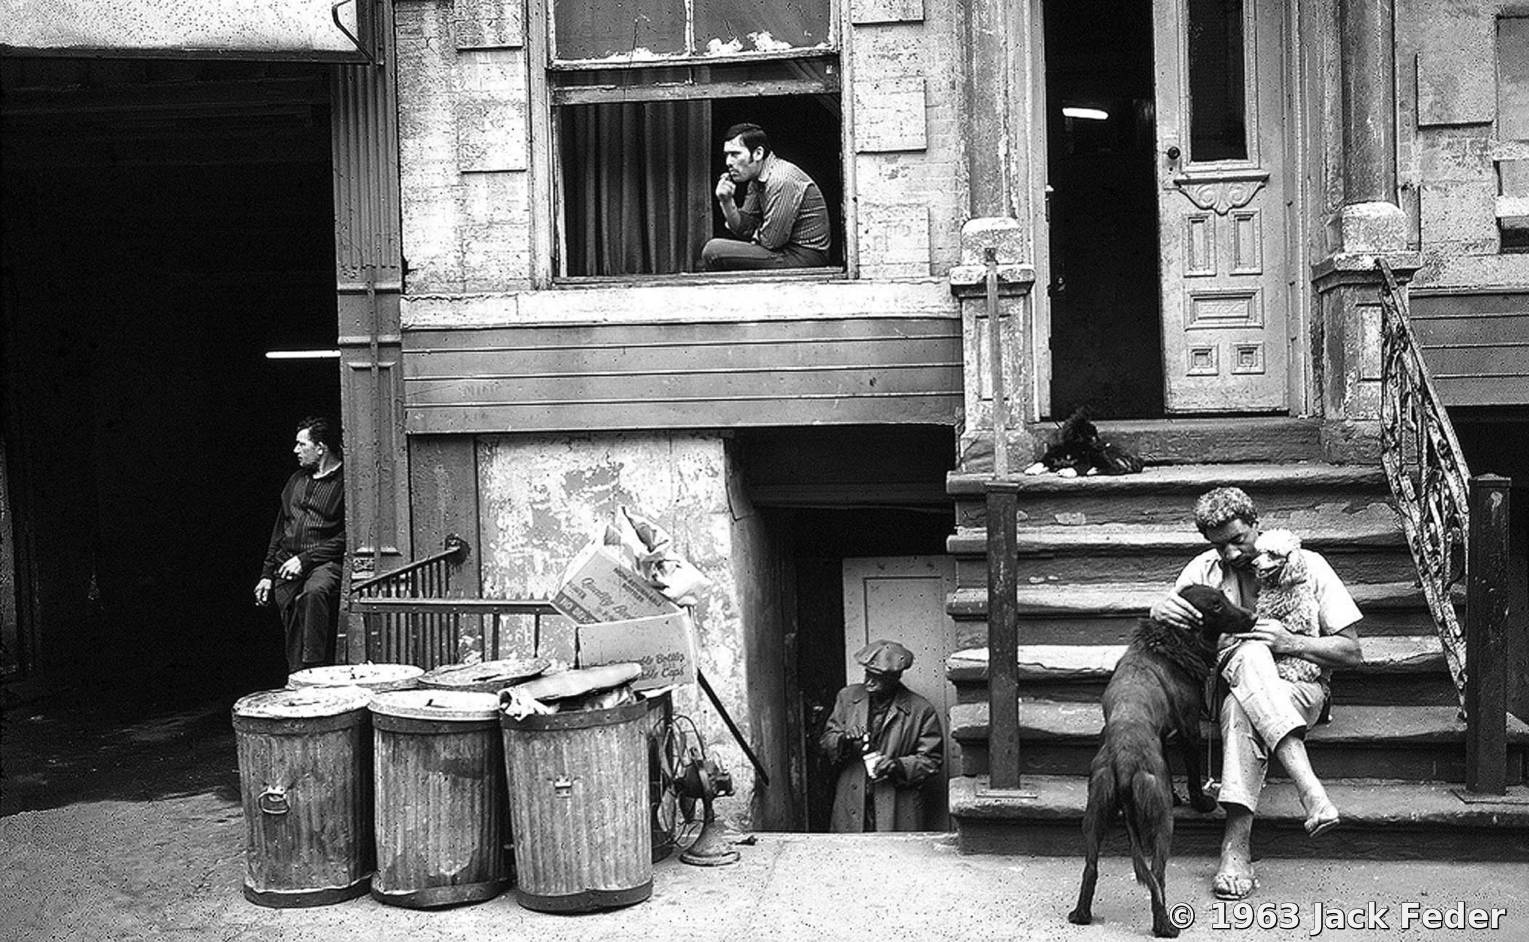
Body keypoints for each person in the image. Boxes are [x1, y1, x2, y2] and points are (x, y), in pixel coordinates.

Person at [1149, 486, 1363, 902]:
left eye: (1238, 539)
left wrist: (1291, 642)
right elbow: (1168, 633)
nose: (1230, 553)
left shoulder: (1308, 565)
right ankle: (1310, 790)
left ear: (1256, 524)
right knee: (1247, 656)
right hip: (1221, 683)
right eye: (1219, 546)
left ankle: (1235, 849)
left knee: (1240, 707)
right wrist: (1158, 610)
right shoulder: (1203, 570)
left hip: (1299, 687)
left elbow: (1352, 651)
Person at [819, 639, 944, 832]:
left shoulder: (921, 710)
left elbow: (931, 761)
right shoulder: (847, 697)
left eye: (876, 677)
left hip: (897, 806)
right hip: (852, 800)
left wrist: (897, 765)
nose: (868, 681)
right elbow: (826, 741)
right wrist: (843, 740)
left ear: (894, 678)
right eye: (867, 673)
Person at [254, 416, 346, 675]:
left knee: (314, 593)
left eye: (301, 444)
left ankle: (315, 669)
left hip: (324, 562)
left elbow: (348, 536)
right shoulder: (296, 480)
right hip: (286, 564)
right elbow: (280, 529)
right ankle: (299, 676)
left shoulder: (344, 483)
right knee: (294, 624)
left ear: (321, 448)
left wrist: (305, 559)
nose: (296, 450)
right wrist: (266, 575)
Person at [701, 123, 831, 271]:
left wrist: (754, 235)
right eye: (727, 155)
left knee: (713, 250)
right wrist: (726, 201)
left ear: (758, 153)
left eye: (735, 154)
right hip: (783, 250)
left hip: (804, 256)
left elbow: (771, 241)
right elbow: (744, 228)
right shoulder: (757, 179)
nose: (728, 162)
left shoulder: (780, 179)